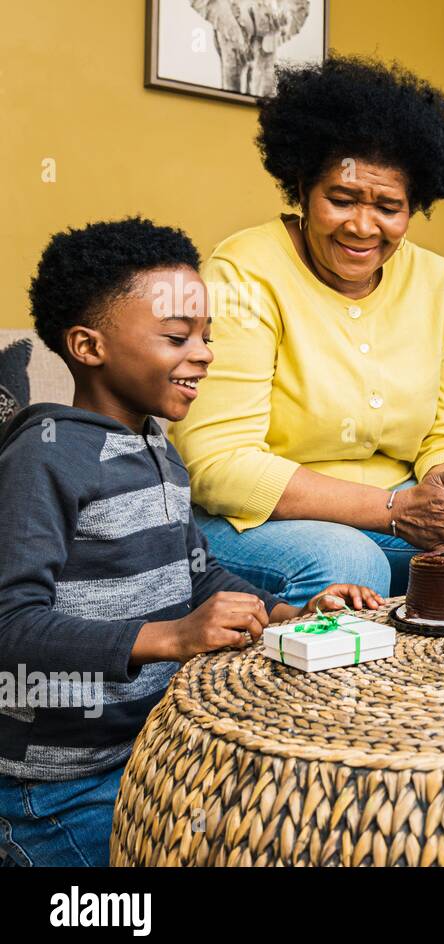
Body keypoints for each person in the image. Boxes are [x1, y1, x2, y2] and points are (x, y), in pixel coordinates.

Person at [0, 218, 381, 867]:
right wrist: (173, 638)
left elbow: (197, 579)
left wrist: (291, 615)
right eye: (178, 337)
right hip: (55, 791)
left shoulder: (160, 452)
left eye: (206, 336)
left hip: (153, 750)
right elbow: (11, 627)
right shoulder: (44, 461)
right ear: (89, 347)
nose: (203, 353)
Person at [170, 56, 444, 603]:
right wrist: (393, 511)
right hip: (252, 520)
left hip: (396, 505)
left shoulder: (440, 285)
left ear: (415, 207)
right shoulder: (243, 271)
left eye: (389, 206)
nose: (363, 226)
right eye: (341, 199)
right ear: (301, 186)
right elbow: (217, 464)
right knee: (348, 560)